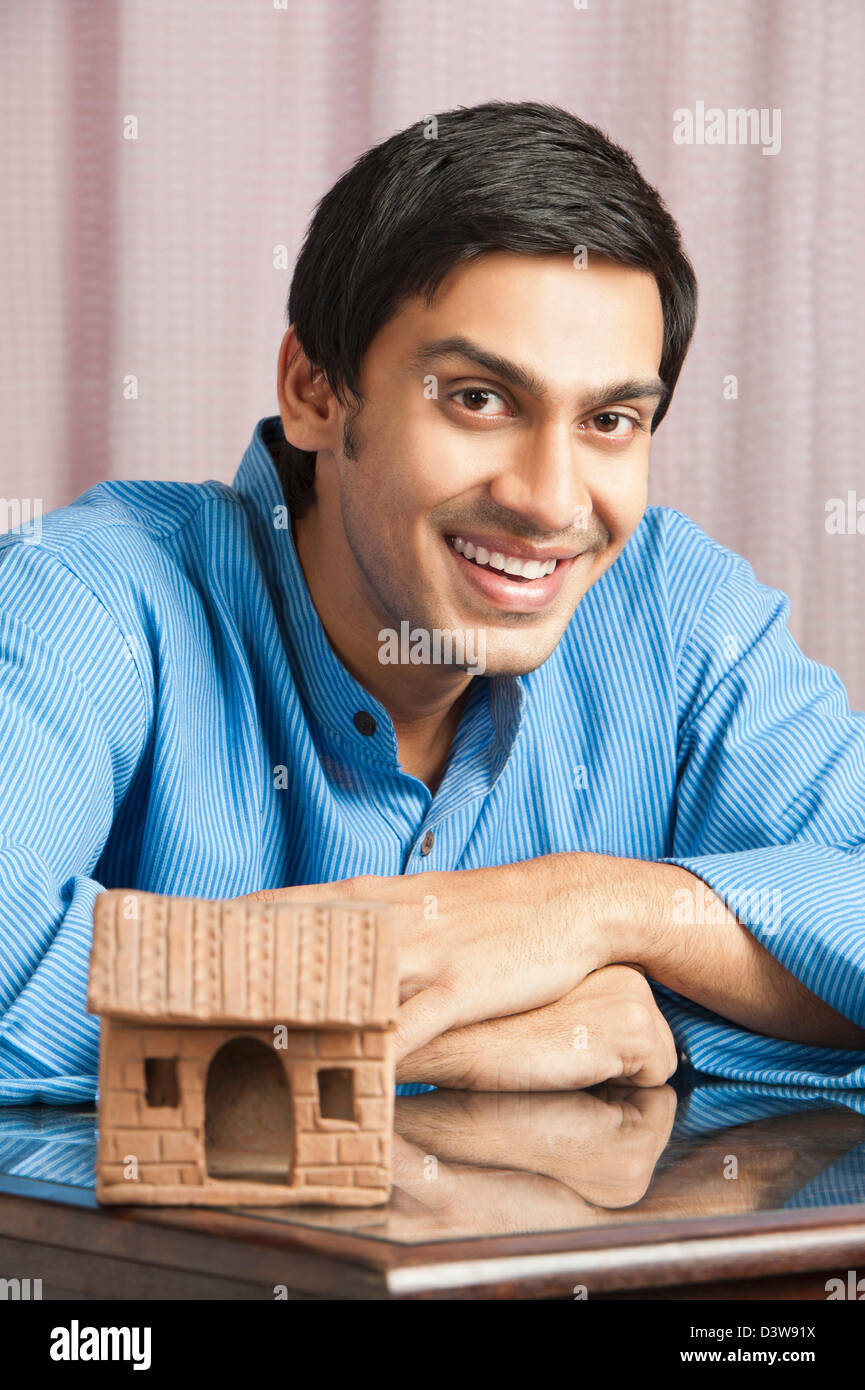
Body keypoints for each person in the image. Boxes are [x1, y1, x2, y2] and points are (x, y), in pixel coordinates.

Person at [2, 100, 864, 1106]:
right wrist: (421, 1041)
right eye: (477, 398)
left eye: (610, 419)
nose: (548, 499)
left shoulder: (679, 614)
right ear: (317, 392)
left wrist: (587, 910)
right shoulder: (83, 598)